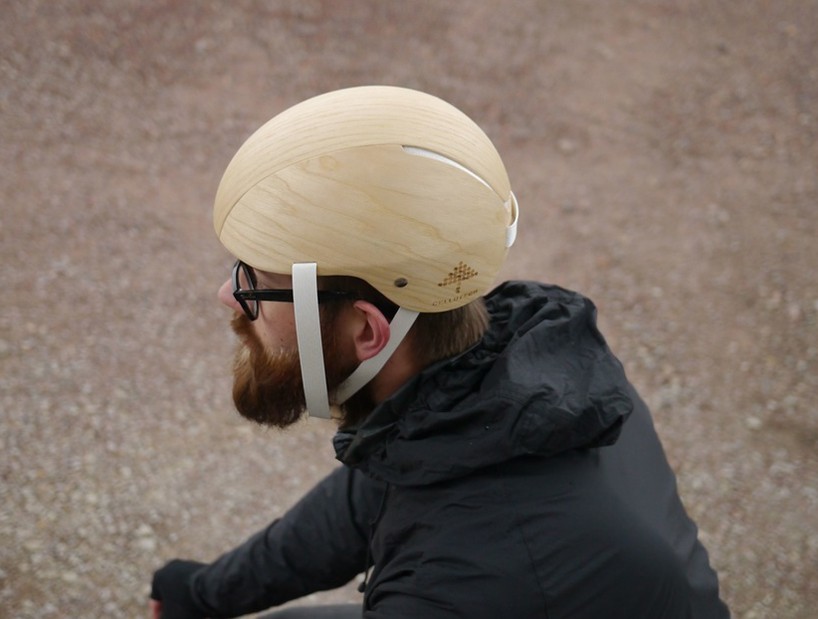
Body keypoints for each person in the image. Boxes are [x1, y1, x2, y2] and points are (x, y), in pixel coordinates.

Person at [149, 85, 730, 618]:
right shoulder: (505, 382)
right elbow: (371, 490)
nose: (228, 296)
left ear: (369, 333)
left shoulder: (451, 581)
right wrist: (203, 594)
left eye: (256, 286)